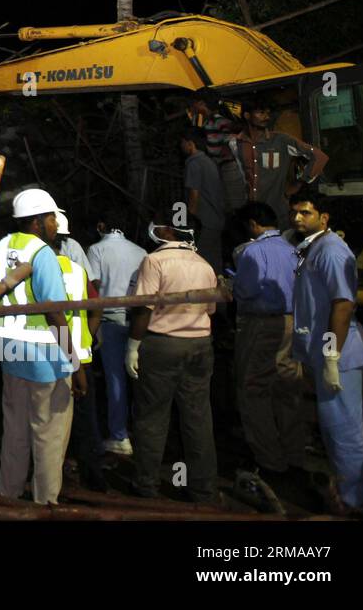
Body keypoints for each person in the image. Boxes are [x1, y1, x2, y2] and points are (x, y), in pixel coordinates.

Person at [0, 188, 84, 504]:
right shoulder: (43, 254)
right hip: (47, 359)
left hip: (9, 353)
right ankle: (44, 504)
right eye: (51, 217)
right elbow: (54, 312)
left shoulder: (0, 246)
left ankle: (8, 496)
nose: (54, 223)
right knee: (48, 436)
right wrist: (76, 366)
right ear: (37, 221)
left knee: (15, 432)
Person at [290, 191, 363, 513]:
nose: (298, 218)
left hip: (337, 354)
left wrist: (331, 356)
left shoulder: (330, 251)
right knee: (348, 427)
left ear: (323, 218)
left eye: (306, 213)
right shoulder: (311, 249)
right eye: (295, 212)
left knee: (343, 430)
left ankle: (356, 501)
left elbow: (342, 306)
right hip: (326, 352)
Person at [125, 208, 219, 503]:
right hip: (200, 345)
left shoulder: (155, 260)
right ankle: (203, 489)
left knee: (152, 417)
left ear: (168, 231)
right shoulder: (204, 264)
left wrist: (133, 345)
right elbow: (210, 310)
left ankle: (147, 485)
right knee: (198, 417)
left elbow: (144, 308)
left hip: (163, 344)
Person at [231, 200, 307, 481]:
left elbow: (248, 290)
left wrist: (231, 285)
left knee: (254, 391)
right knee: (288, 389)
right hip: (292, 322)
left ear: (253, 225)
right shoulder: (294, 251)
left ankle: (270, 460)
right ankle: (294, 454)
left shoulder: (253, 251)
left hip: (262, 324)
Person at [85, 212, 147, 456]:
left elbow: (95, 288)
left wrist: (93, 325)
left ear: (101, 225)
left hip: (108, 320)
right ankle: (141, 433)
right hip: (136, 320)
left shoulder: (96, 250)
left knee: (115, 379)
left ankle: (119, 435)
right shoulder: (141, 251)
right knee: (137, 379)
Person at [228, 98, 328, 230]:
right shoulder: (235, 143)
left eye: (268, 113)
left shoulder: (282, 140)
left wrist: (299, 183)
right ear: (247, 115)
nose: (266, 117)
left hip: (277, 212)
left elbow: (319, 157)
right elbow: (239, 176)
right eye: (261, 113)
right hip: (251, 213)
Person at [57, 241, 104, 490]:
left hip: (51, 360)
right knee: (85, 420)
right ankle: (92, 479)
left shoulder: (31, 272)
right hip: (80, 359)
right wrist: (88, 335)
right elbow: (97, 308)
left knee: (51, 424)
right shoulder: (78, 273)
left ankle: (53, 483)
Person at [181, 127, 225, 271]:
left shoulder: (193, 163)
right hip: (216, 218)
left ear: (190, 143)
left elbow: (194, 194)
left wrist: (189, 220)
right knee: (214, 261)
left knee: (199, 261)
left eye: (183, 142)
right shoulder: (208, 161)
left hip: (203, 222)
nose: (181, 146)